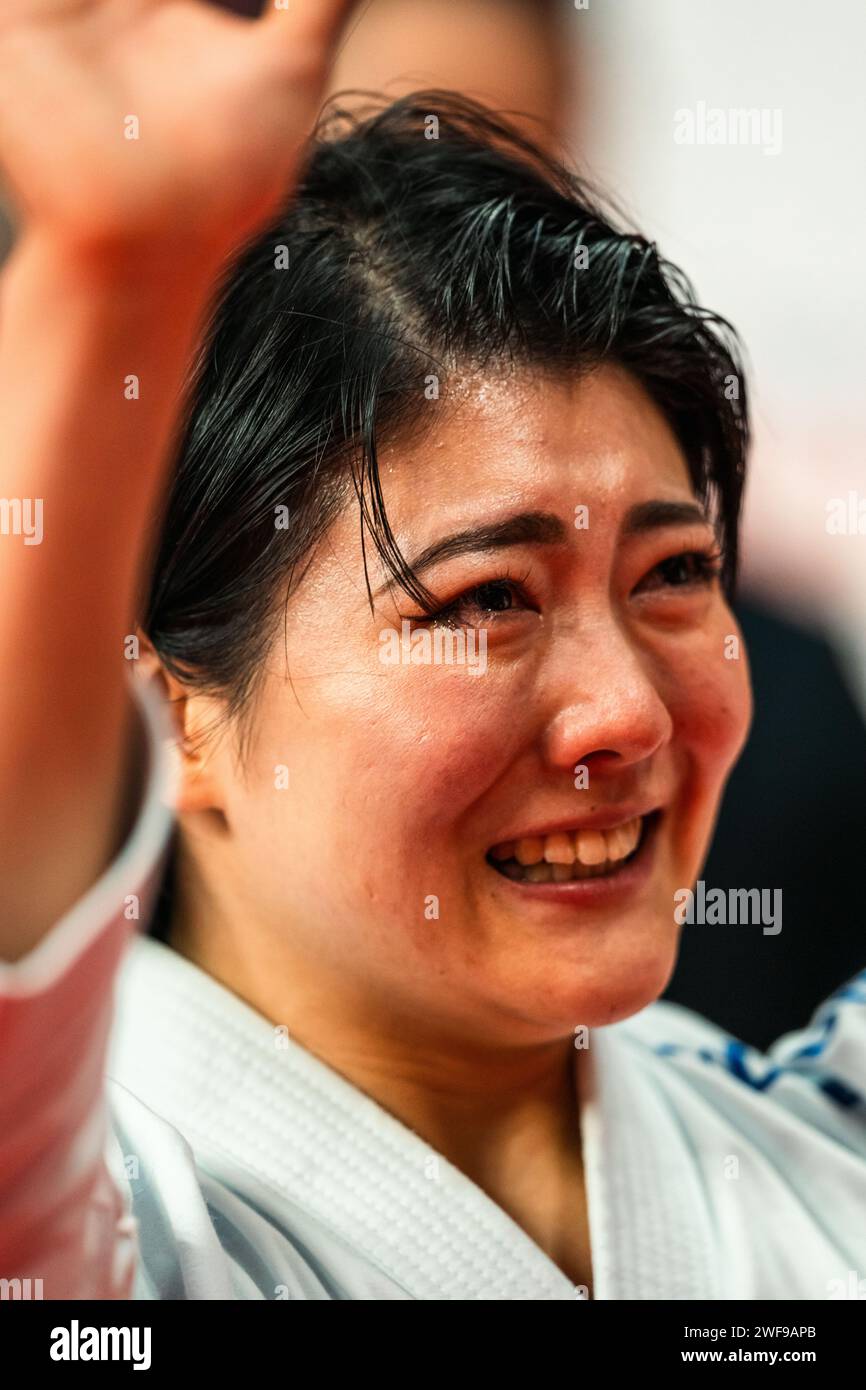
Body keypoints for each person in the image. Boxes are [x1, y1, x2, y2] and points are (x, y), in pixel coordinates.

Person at [0, 0, 863, 1301]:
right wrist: (114, 270)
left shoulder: (820, 1153)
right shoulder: (118, 1255)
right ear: (173, 709)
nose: (625, 710)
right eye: (484, 600)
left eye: (673, 573)